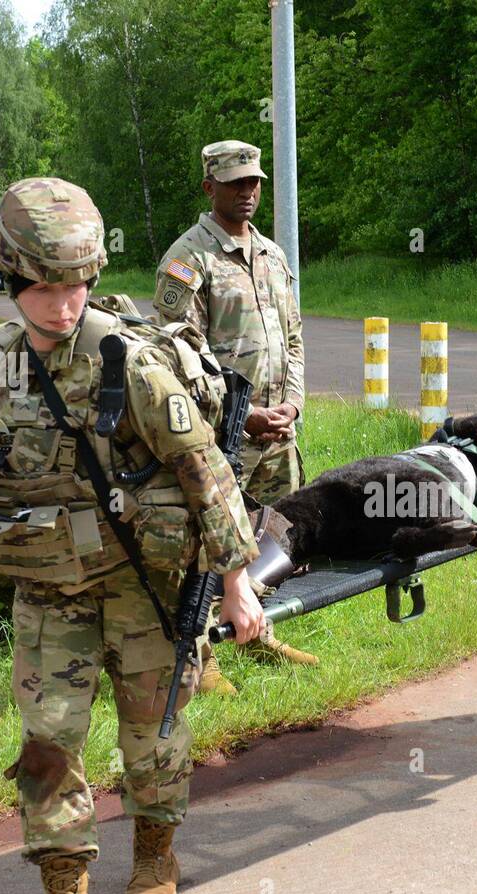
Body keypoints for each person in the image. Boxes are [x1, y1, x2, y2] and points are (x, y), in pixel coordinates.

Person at [0, 177, 265, 894]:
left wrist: (236, 583)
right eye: (45, 288)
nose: (64, 304)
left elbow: (202, 467)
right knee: (48, 743)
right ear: (9, 278)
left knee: (153, 737)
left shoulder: (124, 360)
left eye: (78, 286)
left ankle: (155, 855)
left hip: (140, 582)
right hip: (49, 590)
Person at [154, 139, 316, 691]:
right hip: (220, 435)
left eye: (254, 183)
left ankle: (255, 629)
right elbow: (181, 358)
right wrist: (242, 415)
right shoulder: (187, 261)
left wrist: (291, 405)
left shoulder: (272, 256)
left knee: (273, 532)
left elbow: (292, 340)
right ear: (209, 188)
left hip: (278, 433)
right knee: (209, 540)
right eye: (235, 183)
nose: (248, 193)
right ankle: (202, 660)